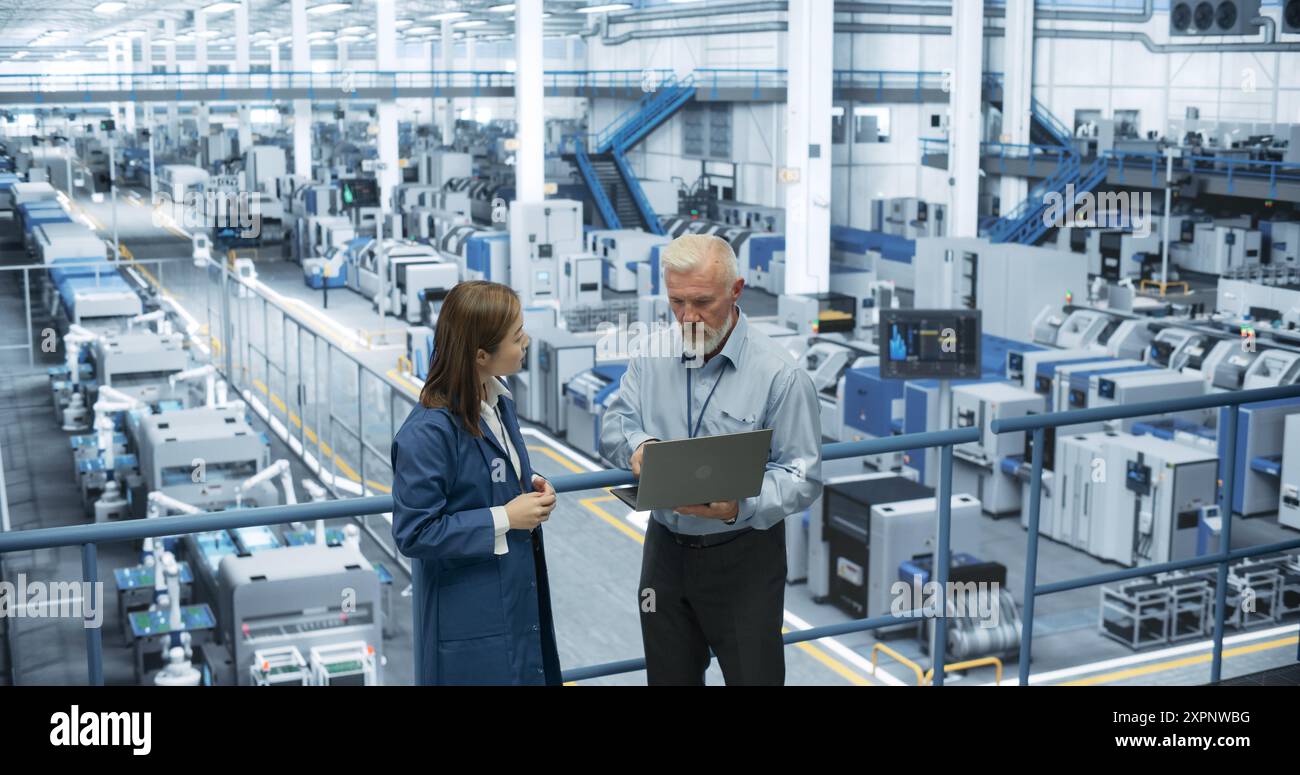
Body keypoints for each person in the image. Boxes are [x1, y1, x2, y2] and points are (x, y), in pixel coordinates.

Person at [600, 234, 823, 686]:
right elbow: (614, 424)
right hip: (664, 553)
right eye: (676, 302)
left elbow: (802, 474)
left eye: (702, 302)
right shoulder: (651, 354)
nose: (688, 317)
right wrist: (639, 447)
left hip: (744, 557)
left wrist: (740, 505)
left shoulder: (781, 376)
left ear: (736, 290)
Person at [391, 280, 561, 686]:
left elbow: (487, 473)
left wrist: (529, 487)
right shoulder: (427, 433)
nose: (526, 342)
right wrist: (506, 516)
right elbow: (415, 532)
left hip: (516, 602)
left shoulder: (498, 402)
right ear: (481, 354)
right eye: (517, 337)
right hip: (470, 618)